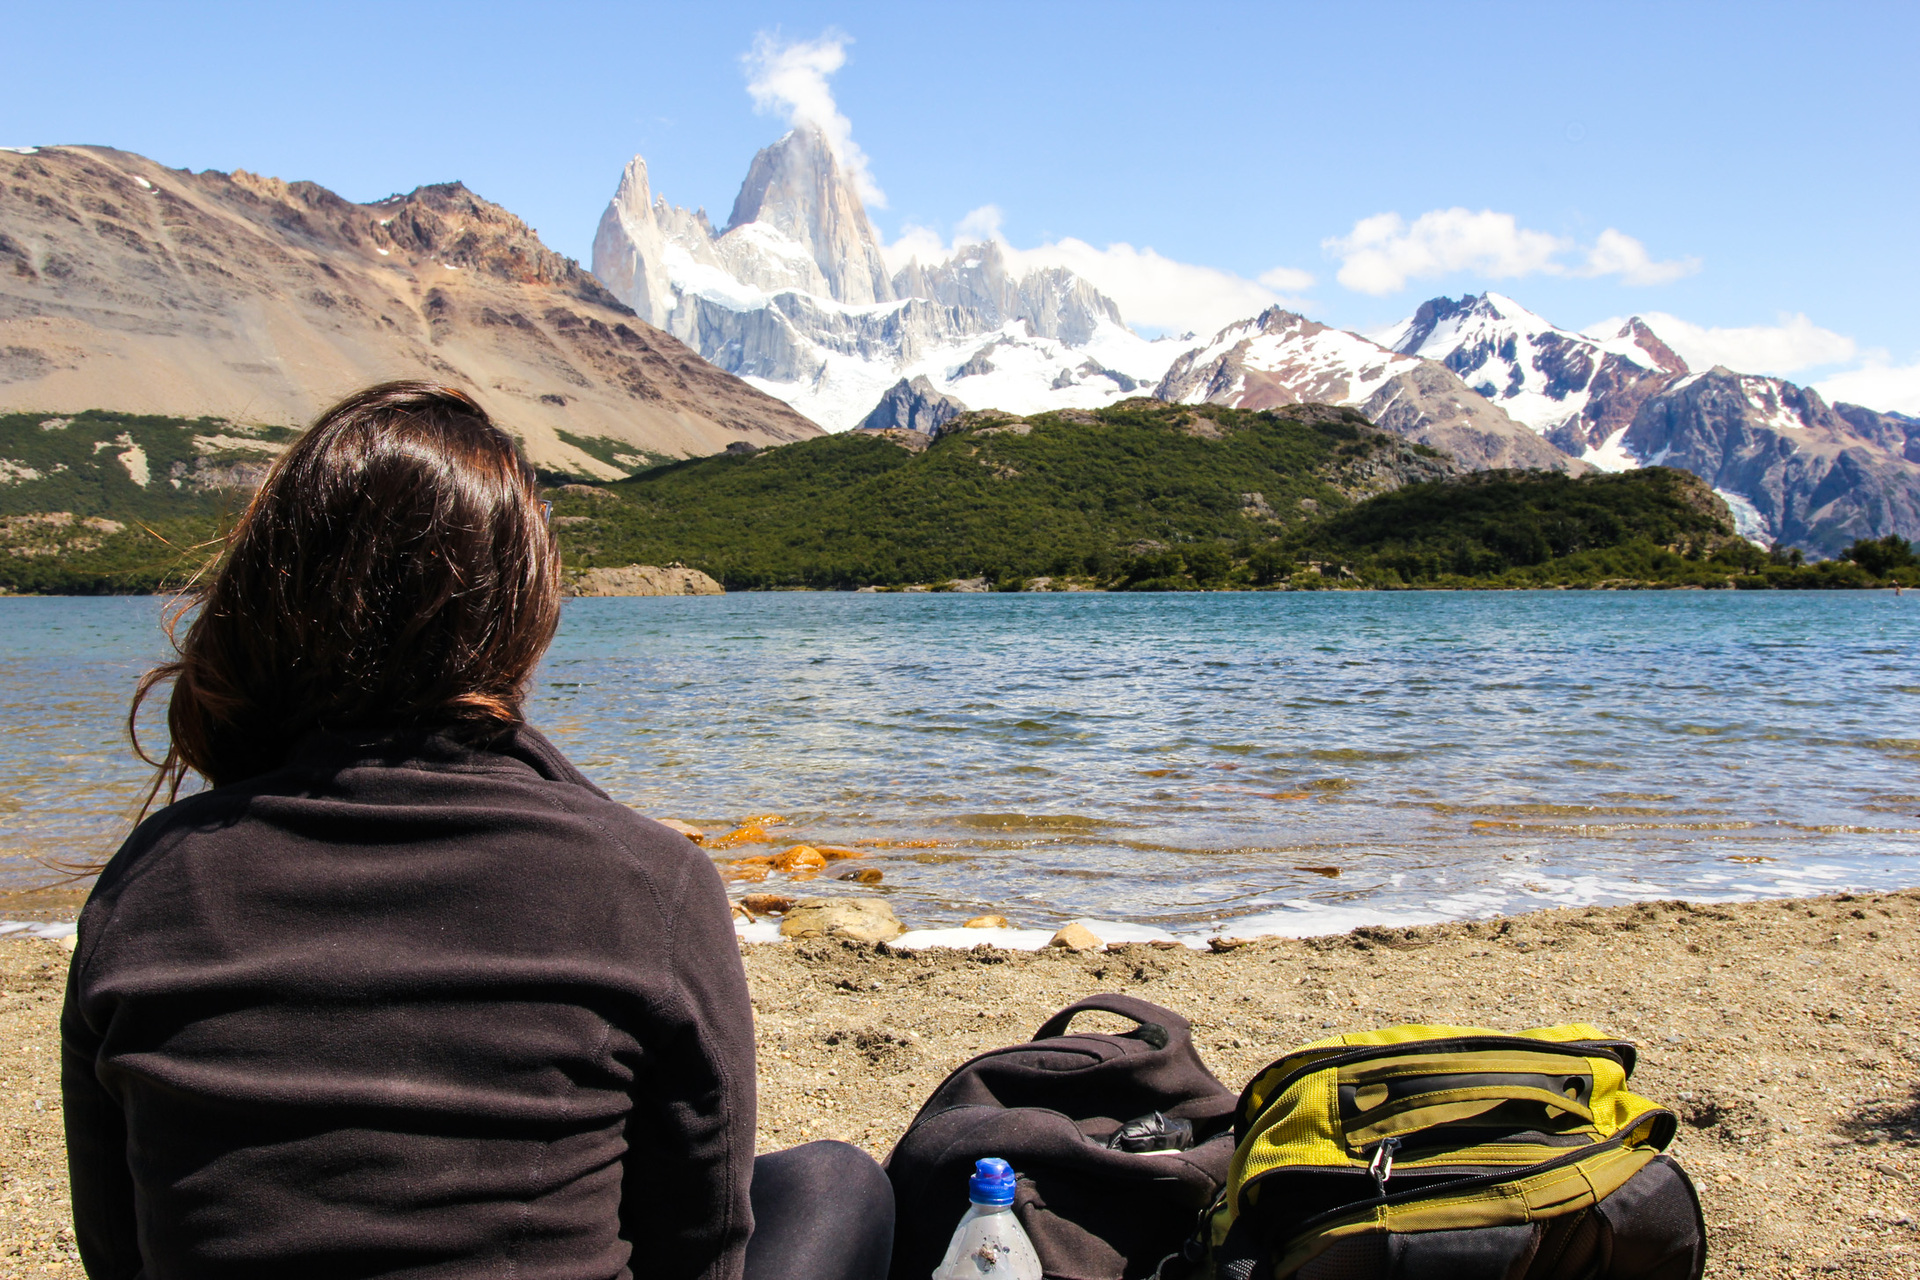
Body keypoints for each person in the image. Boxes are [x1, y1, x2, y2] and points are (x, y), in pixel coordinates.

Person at [60, 382, 894, 1280]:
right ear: (524, 611)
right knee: (836, 1185)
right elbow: (701, 1249)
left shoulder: (148, 880)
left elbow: (119, 1252)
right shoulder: (648, 882)